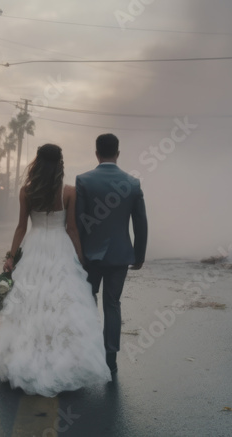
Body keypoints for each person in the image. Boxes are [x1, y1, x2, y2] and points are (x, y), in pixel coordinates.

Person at [0, 144, 112, 397]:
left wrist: (11, 257)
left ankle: (27, 355)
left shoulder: (27, 191)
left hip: (35, 245)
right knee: (60, 303)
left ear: (37, 162)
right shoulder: (68, 192)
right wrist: (79, 257)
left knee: (31, 302)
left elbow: (21, 227)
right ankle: (60, 360)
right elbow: (72, 229)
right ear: (60, 163)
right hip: (59, 247)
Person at [75, 133, 148, 374]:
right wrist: (139, 255)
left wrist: (78, 253)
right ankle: (111, 358)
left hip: (89, 257)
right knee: (113, 304)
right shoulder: (132, 183)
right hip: (119, 256)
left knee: (88, 301)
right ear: (118, 153)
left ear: (96, 154)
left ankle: (87, 351)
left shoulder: (83, 181)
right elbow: (140, 224)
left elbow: (78, 222)